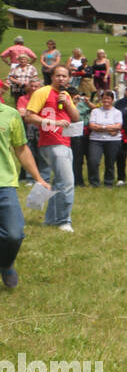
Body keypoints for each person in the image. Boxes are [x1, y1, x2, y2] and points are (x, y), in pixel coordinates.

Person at [0, 95, 51, 287]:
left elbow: (21, 149)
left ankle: (5, 264)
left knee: (14, 234)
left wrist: (38, 178)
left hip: (4, 183)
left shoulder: (10, 114)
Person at [23, 64, 79, 231]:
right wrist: (53, 122)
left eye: (64, 76)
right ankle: (64, 221)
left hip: (65, 142)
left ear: (69, 78)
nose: (61, 78)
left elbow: (75, 118)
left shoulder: (65, 95)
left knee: (59, 183)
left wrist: (67, 103)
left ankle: (51, 219)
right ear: (52, 77)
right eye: (58, 75)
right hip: (51, 142)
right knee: (68, 183)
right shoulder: (42, 92)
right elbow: (29, 115)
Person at [86, 90, 123, 187]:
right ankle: (94, 182)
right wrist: (107, 128)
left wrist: (100, 127)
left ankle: (108, 182)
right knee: (93, 161)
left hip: (113, 141)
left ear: (112, 100)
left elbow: (118, 126)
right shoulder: (95, 111)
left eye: (108, 98)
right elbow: (92, 126)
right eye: (104, 98)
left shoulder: (117, 112)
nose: (106, 100)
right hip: (96, 140)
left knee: (110, 162)